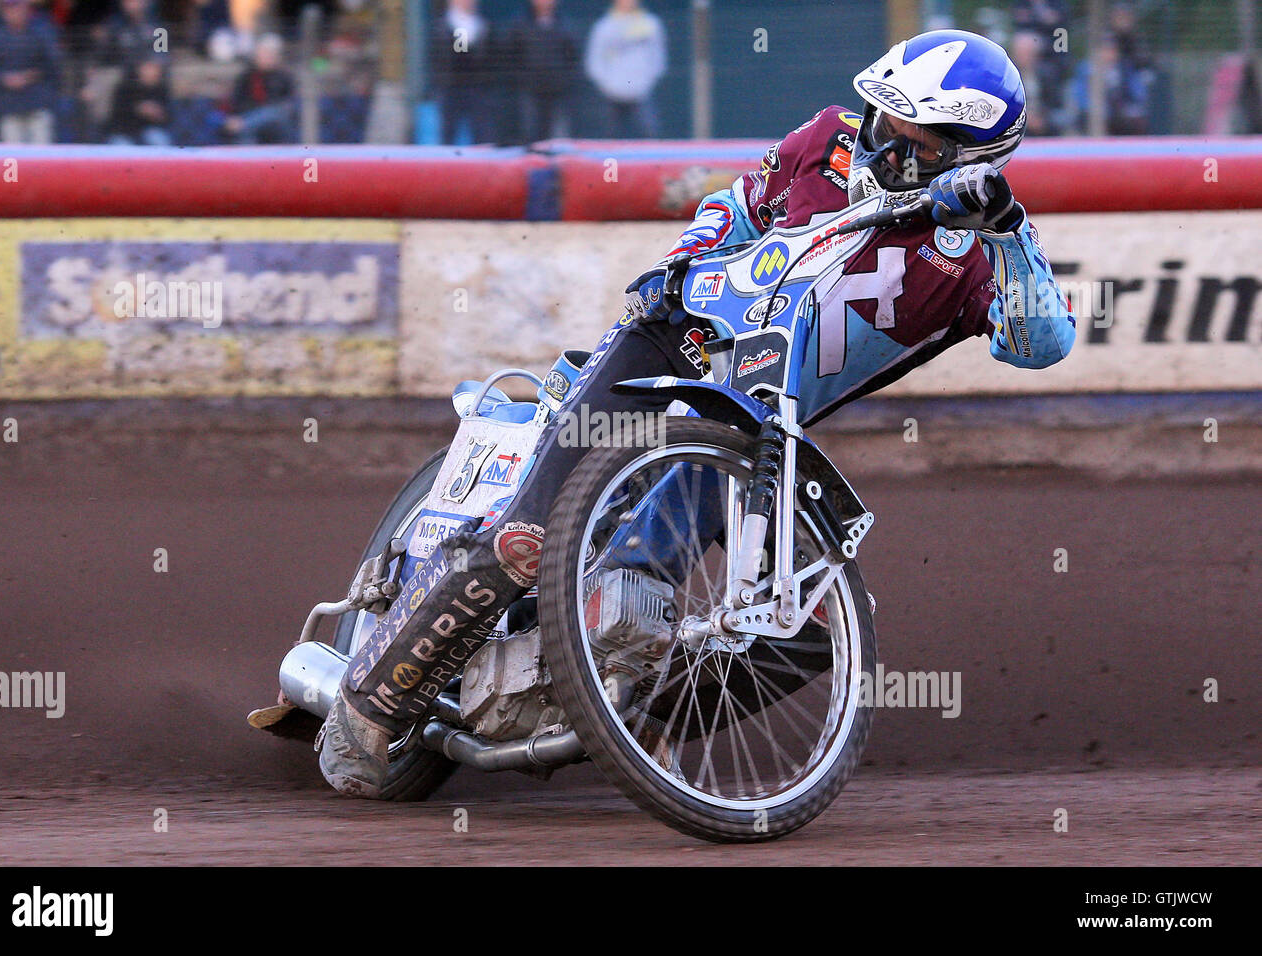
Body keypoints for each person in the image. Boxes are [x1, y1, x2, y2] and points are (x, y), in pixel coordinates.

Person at [317, 30, 1077, 798]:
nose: (888, 144)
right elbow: (736, 205)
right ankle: (367, 705)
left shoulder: (980, 253)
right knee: (527, 536)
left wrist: (1007, 231)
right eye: (885, 120)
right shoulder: (824, 141)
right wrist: (681, 257)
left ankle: (633, 721)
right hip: (675, 334)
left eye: (918, 139)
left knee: (807, 625)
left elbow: (1044, 342)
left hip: (754, 424)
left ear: (974, 157)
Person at [584, 0, 666, 138]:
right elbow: (594, 60)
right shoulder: (604, 26)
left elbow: (658, 57)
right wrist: (607, 85)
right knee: (608, 137)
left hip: (641, 92)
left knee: (650, 134)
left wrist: (646, 83)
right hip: (611, 93)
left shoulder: (650, 24)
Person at [505, 0, 579, 142]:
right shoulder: (520, 23)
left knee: (559, 138)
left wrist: (563, 80)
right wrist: (524, 79)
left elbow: (572, 57)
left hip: (558, 92)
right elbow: (511, 56)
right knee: (531, 134)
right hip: (530, 91)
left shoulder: (565, 24)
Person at [0, 0, 61, 144]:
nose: (14, 12)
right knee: (12, 159)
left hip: (38, 105)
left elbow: (53, 66)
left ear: (27, 9)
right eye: (9, 8)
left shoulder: (41, 34)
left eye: (17, 7)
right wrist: (5, 79)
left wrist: (28, 76)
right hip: (9, 107)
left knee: (41, 157)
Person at [431, 0, 495, 145]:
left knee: (482, 131)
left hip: (477, 87)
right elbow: (459, 52)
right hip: (451, 87)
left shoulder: (483, 25)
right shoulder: (445, 25)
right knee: (448, 133)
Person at [222, 33, 296, 144]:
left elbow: (283, 104)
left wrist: (244, 121)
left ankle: (244, 124)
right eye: (263, 54)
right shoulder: (247, 76)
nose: (266, 58)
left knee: (269, 114)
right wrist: (236, 117)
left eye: (269, 55)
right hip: (251, 115)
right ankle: (248, 159)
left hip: (277, 118)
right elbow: (238, 101)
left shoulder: (283, 76)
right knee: (246, 131)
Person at [104, 53, 170, 144]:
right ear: (140, 68)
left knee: (159, 139)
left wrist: (158, 114)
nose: (153, 71)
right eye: (149, 67)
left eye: (156, 68)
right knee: (122, 146)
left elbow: (168, 117)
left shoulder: (161, 89)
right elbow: (117, 115)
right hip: (123, 132)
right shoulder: (126, 87)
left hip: (150, 131)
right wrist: (138, 109)